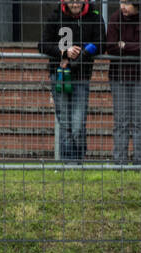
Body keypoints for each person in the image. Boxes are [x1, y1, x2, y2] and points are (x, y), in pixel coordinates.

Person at [38, 1, 105, 164]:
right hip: (59, 75)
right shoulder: (55, 16)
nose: (75, 4)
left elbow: (102, 44)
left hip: (81, 76)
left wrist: (83, 51)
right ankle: (67, 163)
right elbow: (42, 45)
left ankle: (78, 160)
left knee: (78, 122)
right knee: (65, 121)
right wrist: (63, 52)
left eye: (78, 1)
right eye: (71, 1)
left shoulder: (94, 17)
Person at [107, 1, 141, 165]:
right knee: (120, 122)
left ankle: (140, 164)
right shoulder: (115, 19)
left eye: (127, 3)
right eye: (121, 2)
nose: (122, 6)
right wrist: (138, 46)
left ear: (137, 4)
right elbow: (111, 47)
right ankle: (119, 163)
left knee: (140, 123)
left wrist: (124, 45)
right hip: (119, 77)